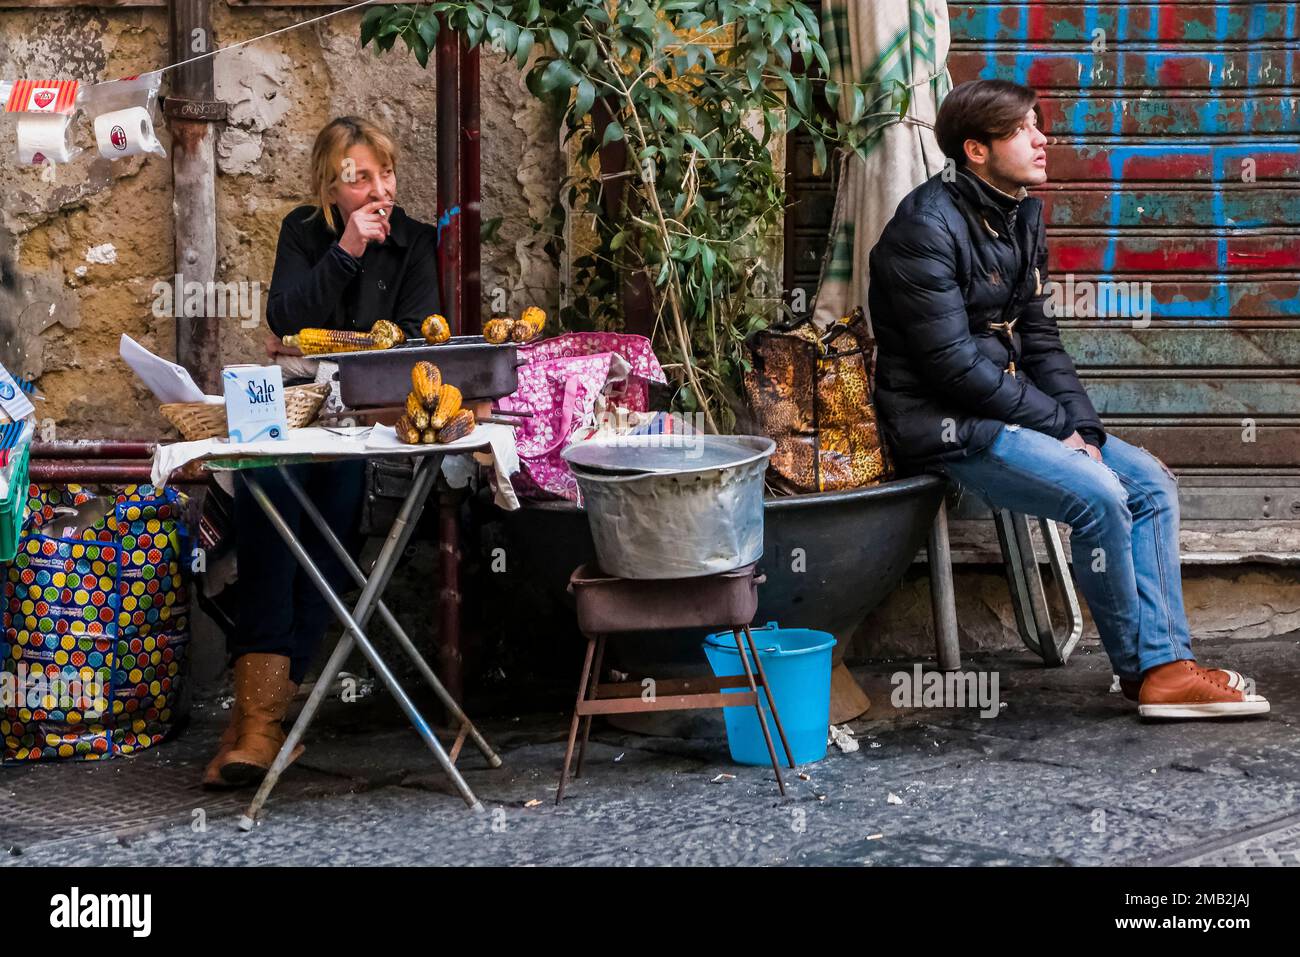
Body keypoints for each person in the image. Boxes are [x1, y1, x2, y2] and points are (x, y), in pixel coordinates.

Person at [867, 80, 1268, 719]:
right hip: (945, 425)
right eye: (1023, 129)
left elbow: (1040, 337)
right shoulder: (923, 229)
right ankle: (1147, 669)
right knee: (1100, 494)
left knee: (1151, 484)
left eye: (1037, 125)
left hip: (1010, 408)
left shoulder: (1019, 211)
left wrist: (1083, 426)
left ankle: (1164, 668)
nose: (1041, 138)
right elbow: (951, 367)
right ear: (976, 148)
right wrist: (1056, 428)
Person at [203, 116, 442, 787]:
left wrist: (324, 341)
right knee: (266, 494)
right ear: (328, 185)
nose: (377, 187)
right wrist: (345, 251)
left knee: (334, 528)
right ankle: (260, 721)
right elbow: (284, 319)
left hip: (371, 433)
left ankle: (259, 718)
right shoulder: (305, 234)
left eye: (384, 172)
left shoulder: (417, 242)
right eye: (358, 176)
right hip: (295, 418)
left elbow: (417, 341)